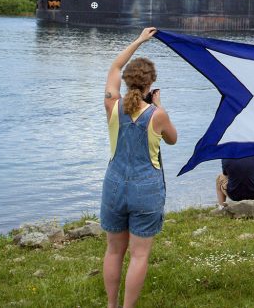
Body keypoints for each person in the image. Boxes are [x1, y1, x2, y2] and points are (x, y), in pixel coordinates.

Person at [100, 27, 178, 308]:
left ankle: (111, 304)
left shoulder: (112, 105)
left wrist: (140, 40)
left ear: (127, 81)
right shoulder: (158, 115)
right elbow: (172, 139)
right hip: (146, 189)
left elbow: (115, 65)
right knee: (139, 254)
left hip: (114, 184)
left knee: (114, 250)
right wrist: (158, 105)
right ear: (150, 84)